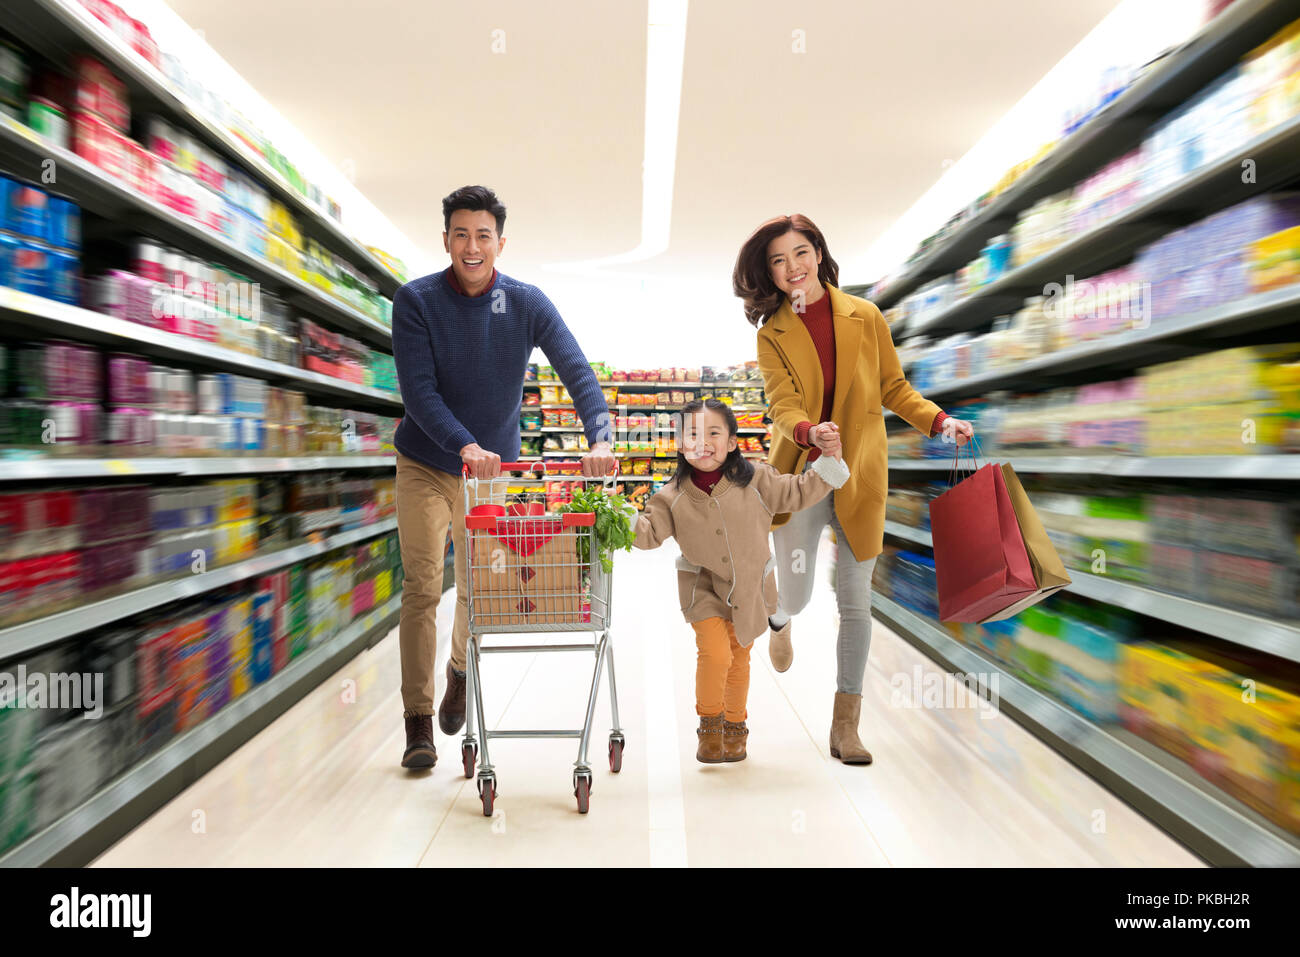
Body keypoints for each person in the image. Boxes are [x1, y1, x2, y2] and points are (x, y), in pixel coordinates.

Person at [733, 214, 975, 765]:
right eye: (777, 260)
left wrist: (940, 422)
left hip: (862, 473)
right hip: (803, 473)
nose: (791, 267)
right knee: (797, 594)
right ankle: (778, 618)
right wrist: (808, 431)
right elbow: (782, 403)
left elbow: (894, 386)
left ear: (817, 252)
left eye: (799, 253)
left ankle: (846, 725)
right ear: (769, 273)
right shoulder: (771, 332)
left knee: (855, 603)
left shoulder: (865, 315)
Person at [391, 185, 616, 769]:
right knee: (422, 584)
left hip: (490, 473)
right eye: (460, 234)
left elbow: (576, 369)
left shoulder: (525, 302)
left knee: (477, 587)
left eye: (482, 235)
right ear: (445, 239)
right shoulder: (414, 301)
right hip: (426, 462)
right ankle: (417, 723)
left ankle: (460, 672)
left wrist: (601, 437)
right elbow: (419, 391)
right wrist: (464, 444)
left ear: (500, 242)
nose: (471, 246)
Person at [633, 399, 850, 763]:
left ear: (732, 442)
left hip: (750, 589)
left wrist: (829, 461)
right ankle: (709, 724)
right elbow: (648, 533)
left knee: (739, 657)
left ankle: (735, 727)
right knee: (715, 654)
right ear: (681, 444)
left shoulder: (759, 480)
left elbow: (799, 491)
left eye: (713, 433)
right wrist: (617, 513)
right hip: (703, 590)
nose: (702, 441)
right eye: (692, 434)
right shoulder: (670, 496)